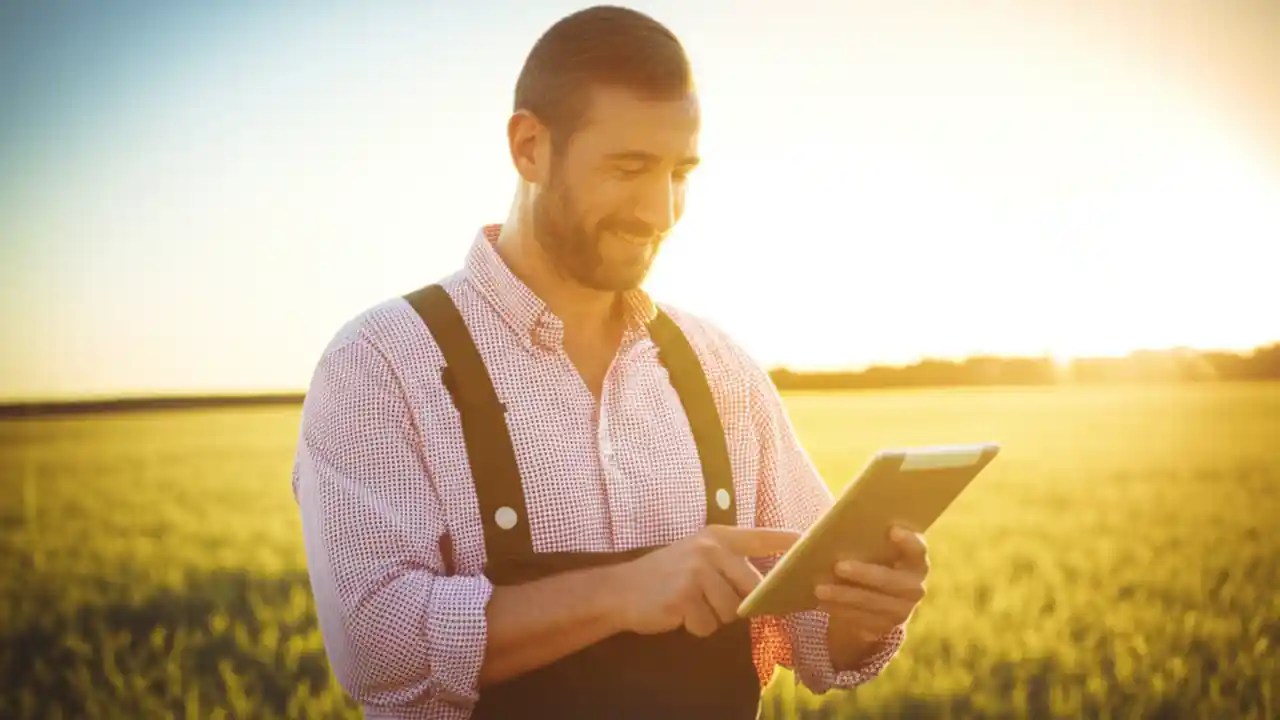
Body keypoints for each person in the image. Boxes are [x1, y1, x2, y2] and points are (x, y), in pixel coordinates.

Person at [292, 5, 926, 718]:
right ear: (530, 146)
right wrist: (625, 593)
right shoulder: (381, 364)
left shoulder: (722, 371)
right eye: (630, 168)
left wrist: (862, 612)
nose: (660, 210)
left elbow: (814, 637)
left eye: (680, 171)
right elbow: (374, 647)